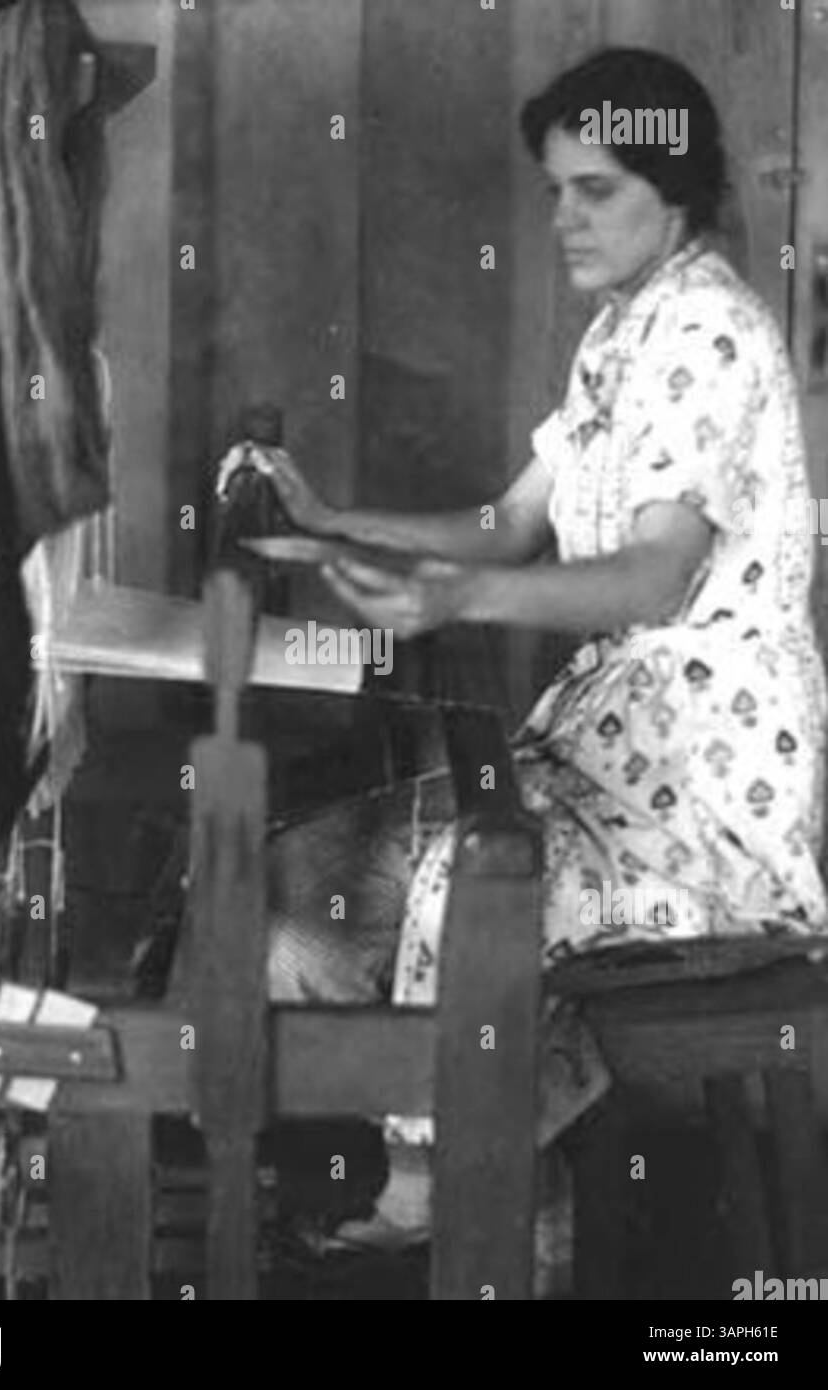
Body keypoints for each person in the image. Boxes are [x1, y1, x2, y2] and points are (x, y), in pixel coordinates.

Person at [256, 46, 828, 1271]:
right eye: (557, 187)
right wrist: (330, 520)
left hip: (701, 797)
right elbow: (506, 523)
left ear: (676, 193)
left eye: (598, 188)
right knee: (313, 869)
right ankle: (487, 1169)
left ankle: (457, 1184)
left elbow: (653, 576)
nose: (563, 215)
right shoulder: (622, 334)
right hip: (619, 754)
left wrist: (463, 593)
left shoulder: (711, 332)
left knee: (458, 886)